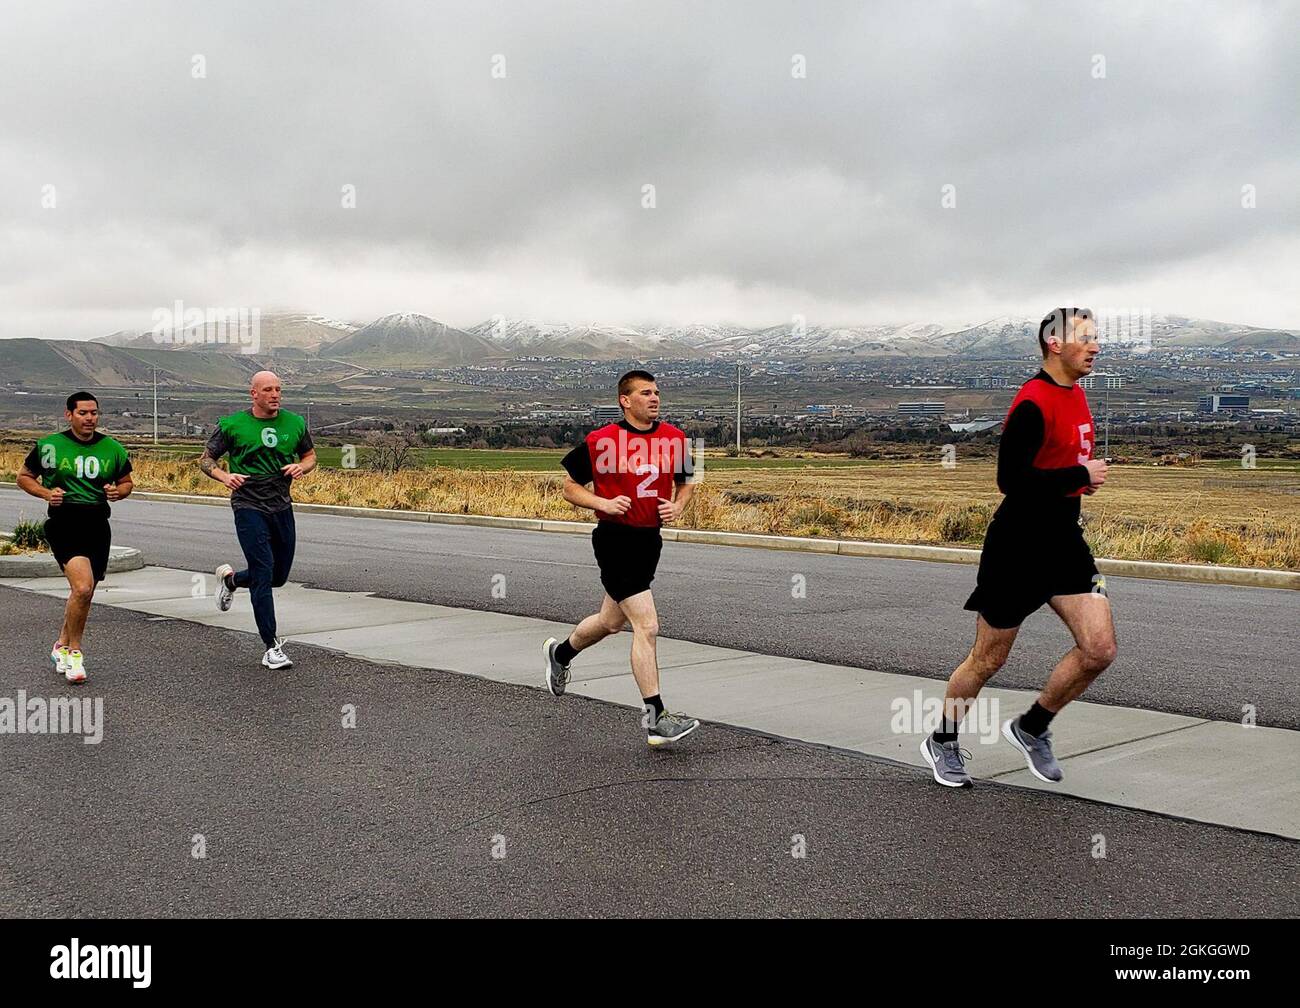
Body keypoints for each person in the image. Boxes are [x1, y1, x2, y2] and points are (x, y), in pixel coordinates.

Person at [923, 308, 1117, 787]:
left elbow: (1053, 468)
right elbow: (1010, 479)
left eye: (1097, 338)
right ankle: (943, 740)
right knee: (989, 659)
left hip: (1064, 543)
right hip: (1017, 547)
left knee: (1099, 649)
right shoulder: (1033, 401)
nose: (1095, 347)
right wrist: (1078, 476)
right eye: (1086, 338)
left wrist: (1076, 483)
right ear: (1055, 344)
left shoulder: (1077, 394)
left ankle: (1031, 727)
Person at [542, 370, 701, 747]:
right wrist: (603, 503)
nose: (655, 398)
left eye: (657, 392)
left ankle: (560, 654)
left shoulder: (675, 439)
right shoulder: (601, 441)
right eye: (645, 393)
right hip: (615, 540)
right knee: (646, 626)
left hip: (650, 541)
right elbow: (568, 488)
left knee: (611, 622)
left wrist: (677, 506)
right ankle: (655, 719)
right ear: (624, 401)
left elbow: (689, 481)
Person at [199, 371, 316, 669]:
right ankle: (271, 646)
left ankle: (231, 579)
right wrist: (225, 476)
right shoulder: (232, 425)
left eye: (278, 389)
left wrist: (301, 467)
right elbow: (205, 459)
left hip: (281, 505)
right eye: (268, 390)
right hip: (248, 505)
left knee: (278, 576)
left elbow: (311, 456)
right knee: (263, 573)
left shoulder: (295, 422)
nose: (275, 395)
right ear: (253, 394)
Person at [16, 392, 133, 684]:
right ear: (69, 415)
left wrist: (119, 492)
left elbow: (127, 482)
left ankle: (60, 644)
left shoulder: (112, 448)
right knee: (82, 587)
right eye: (83, 413)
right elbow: (23, 476)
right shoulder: (50, 446)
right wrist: (46, 493)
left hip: (97, 523)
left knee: (86, 591)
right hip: (64, 521)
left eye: (94, 412)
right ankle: (75, 654)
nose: (90, 418)